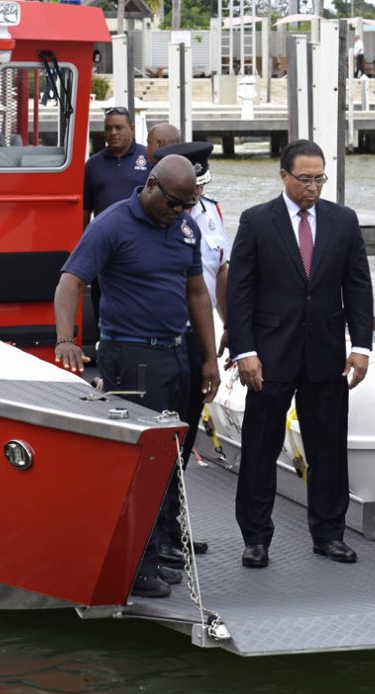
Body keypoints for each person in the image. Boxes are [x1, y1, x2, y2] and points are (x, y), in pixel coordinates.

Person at [55, 155, 220, 598]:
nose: (180, 211)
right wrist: (66, 339)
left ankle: (161, 545)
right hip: (131, 357)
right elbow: (71, 282)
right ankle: (137, 564)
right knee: (141, 465)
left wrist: (208, 358)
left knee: (173, 460)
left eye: (188, 204)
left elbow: (198, 292)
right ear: (150, 185)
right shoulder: (111, 225)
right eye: (172, 202)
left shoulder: (185, 227)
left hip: (176, 354)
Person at [226, 139, 374, 569]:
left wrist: (361, 346)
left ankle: (328, 534)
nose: (314, 187)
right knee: (260, 447)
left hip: (326, 353)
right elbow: (240, 293)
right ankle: (255, 538)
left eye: (320, 179)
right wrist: (245, 351)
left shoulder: (343, 222)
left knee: (328, 447)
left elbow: (358, 286)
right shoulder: (256, 221)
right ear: (283, 176)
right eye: (305, 179)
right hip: (269, 355)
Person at [153, 141, 230, 559]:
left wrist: (228, 326)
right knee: (162, 440)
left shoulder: (213, 213)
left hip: (197, 335)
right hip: (162, 335)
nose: (195, 196)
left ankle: (172, 525)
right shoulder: (159, 217)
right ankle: (156, 533)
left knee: (186, 437)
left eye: (200, 186)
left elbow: (219, 272)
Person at [82, 106, 150, 334]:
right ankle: (105, 341)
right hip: (104, 246)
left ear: (132, 128)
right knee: (101, 294)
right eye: (108, 128)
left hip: (140, 244)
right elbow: (85, 210)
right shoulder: (92, 165)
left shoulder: (148, 159)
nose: (113, 133)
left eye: (119, 127)